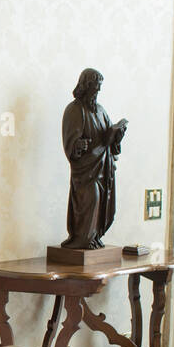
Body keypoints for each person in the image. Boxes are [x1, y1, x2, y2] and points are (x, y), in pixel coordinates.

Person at [60, 68, 128, 249]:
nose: (98, 92)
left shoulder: (101, 110)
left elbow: (108, 139)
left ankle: (94, 237)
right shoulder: (74, 110)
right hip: (85, 171)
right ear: (86, 86)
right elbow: (70, 143)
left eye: (99, 88)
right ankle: (83, 239)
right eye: (95, 88)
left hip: (103, 167)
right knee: (92, 198)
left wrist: (117, 136)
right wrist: (77, 146)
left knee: (103, 202)